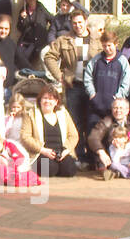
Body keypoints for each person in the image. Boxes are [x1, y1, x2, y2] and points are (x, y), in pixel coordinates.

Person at [43, 8, 100, 156]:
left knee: (92, 120)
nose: (78, 26)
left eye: (80, 22)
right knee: (75, 121)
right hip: (73, 86)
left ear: (86, 22)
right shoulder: (64, 40)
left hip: (93, 87)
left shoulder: (97, 39)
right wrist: (59, 76)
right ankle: (79, 155)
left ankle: (93, 156)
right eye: (74, 23)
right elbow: (49, 57)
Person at [21, 86, 78, 178]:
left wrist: (66, 151)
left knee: (70, 170)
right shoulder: (31, 114)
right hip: (41, 152)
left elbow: (73, 135)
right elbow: (25, 137)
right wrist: (43, 150)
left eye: (51, 99)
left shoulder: (63, 113)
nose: (47, 101)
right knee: (48, 170)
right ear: (40, 100)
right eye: (45, 98)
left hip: (61, 152)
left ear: (56, 102)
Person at [82, 31, 130, 137]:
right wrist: (92, 94)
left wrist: (117, 98)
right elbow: (88, 78)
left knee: (112, 134)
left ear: (116, 44)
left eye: (109, 45)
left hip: (113, 107)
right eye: (104, 46)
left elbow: (126, 82)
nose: (107, 48)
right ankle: (92, 154)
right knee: (92, 133)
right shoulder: (96, 60)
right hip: (96, 105)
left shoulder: (122, 61)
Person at [15, 0, 51, 71]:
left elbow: (52, 19)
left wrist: (48, 33)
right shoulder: (23, 9)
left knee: (30, 56)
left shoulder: (41, 9)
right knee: (18, 54)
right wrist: (22, 19)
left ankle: (31, 72)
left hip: (38, 41)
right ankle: (27, 72)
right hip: (26, 41)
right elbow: (19, 28)